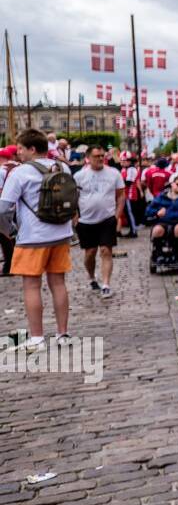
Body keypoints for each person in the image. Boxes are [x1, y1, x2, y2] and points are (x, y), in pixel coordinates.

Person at [0, 129, 76, 350]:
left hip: (32, 237)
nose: (18, 153)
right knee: (58, 284)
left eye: (21, 149)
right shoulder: (64, 167)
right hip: (60, 234)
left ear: (32, 149)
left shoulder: (21, 173)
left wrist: (10, 231)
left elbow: (3, 207)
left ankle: (37, 338)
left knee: (32, 287)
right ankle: (63, 334)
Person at [73, 145, 125, 299]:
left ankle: (106, 285)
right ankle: (91, 277)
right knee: (90, 253)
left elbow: (121, 195)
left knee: (106, 251)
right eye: (97, 156)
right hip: (86, 221)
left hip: (107, 219)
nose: (101, 159)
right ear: (88, 158)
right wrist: (75, 217)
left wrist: (117, 216)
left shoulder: (113, 173)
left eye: (102, 155)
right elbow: (72, 198)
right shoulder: (80, 176)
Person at [0, 145, 18, 277]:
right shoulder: (12, 168)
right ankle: (11, 264)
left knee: (5, 237)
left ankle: (9, 266)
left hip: (3, 206)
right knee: (8, 236)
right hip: (10, 205)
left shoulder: (1, 170)